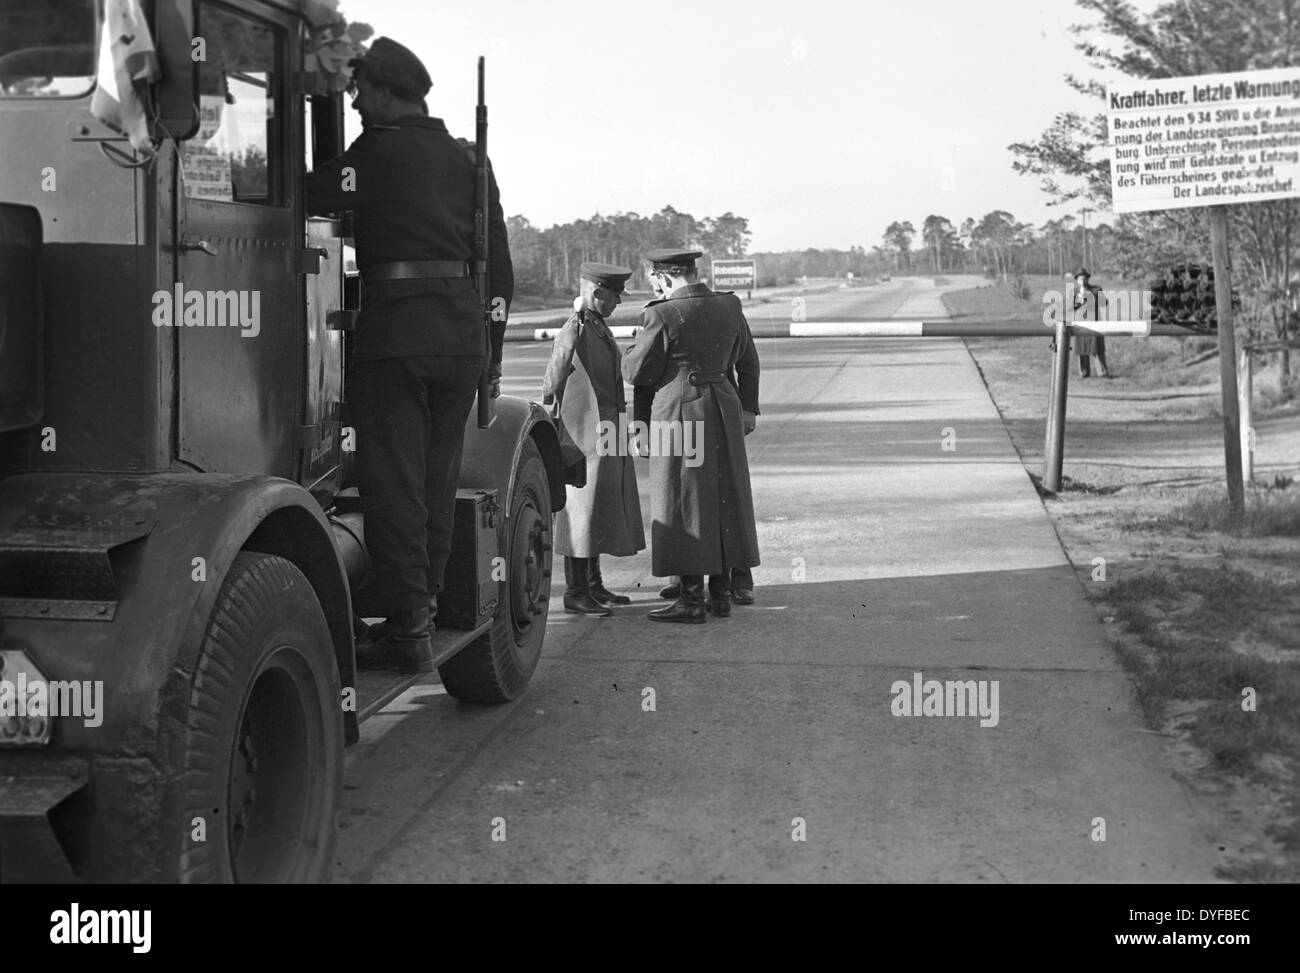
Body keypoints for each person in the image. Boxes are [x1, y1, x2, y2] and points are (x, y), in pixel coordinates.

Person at [304, 37, 513, 673]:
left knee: (393, 487)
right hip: (460, 339)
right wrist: (491, 354)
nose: (356, 100)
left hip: (396, 337)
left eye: (362, 89)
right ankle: (421, 609)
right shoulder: (468, 158)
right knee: (435, 478)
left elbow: (304, 196)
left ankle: (409, 632)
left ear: (389, 94)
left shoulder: (373, 152)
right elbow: (497, 266)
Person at [622, 249, 760, 623]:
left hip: (679, 412)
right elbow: (748, 360)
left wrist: (632, 348)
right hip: (723, 408)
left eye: (654, 280)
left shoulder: (660, 314)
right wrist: (748, 408)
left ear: (664, 278)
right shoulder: (730, 307)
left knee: (682, 500)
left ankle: (690, 600)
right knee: (723, 496)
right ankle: (720, 596)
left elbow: (635, 372)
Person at [542, 263, 646, 616]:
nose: (618, 301)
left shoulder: (598, 327)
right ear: (596, 292)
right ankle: (576, 591)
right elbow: (552, 382)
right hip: (584, 434)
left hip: (606, 430)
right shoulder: (575, 329)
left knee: (598, 507)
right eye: (614, 295)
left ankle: (594, 584)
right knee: (581, 513)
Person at [1071, 268, 1111, 378]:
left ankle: (1102, 372)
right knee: (1082, 350)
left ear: (1088, 279)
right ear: (1077, 280)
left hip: (1095, 323)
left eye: (1084, 278)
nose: (1082, 281)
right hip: (1081, 324)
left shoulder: (1096, 289)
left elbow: (1104, 303)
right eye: (1080, 279)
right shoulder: (1074, 292)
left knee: (1098, 349)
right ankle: (1084, 372)